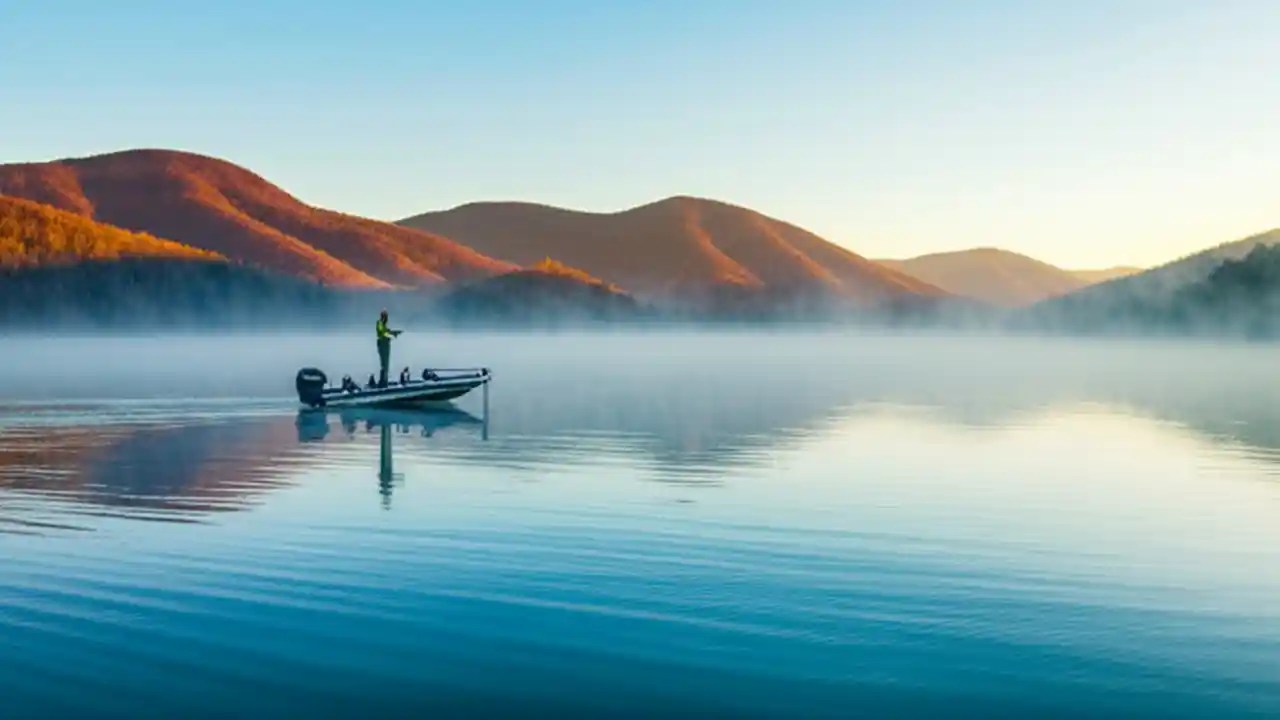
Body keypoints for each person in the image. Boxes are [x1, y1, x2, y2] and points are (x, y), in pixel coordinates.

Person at [375, 310, 401, 387]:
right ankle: (383, 382)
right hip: (383, 345)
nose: (386, 319)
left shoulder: (383, 325)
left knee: (386, 364)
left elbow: (385, 332)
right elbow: (382, 333)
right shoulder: (379, 323)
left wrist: (393, 333)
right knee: (384, 364)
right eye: (385, 317)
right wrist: (391, 333)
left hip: (386, 344)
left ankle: (385, 380)